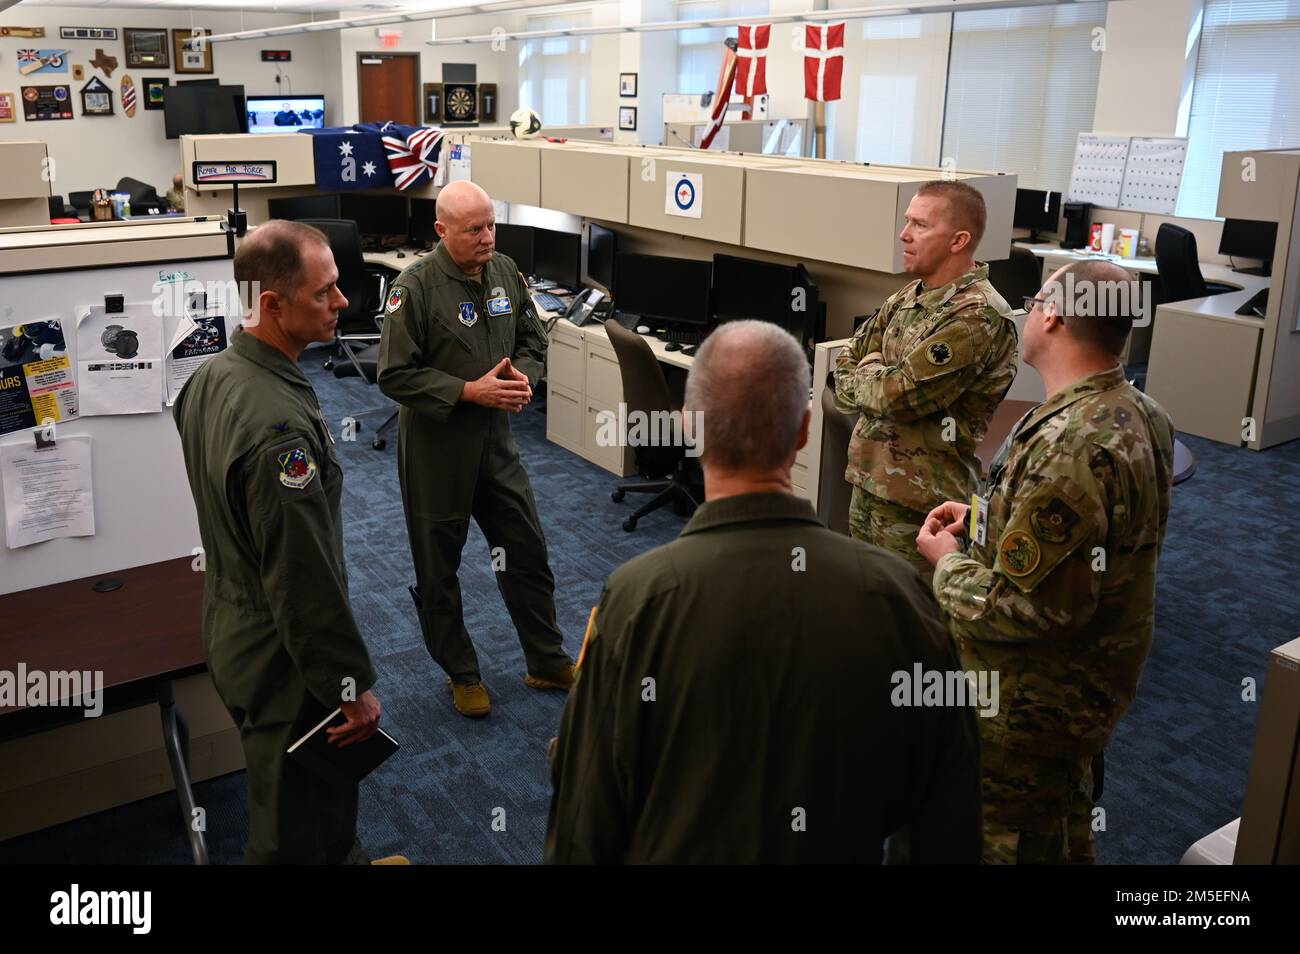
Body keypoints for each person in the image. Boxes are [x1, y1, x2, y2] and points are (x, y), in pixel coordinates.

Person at [545, 321, 982, 864]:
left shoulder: (636, 602)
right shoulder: (900, 597)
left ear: (688, 426)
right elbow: (950, 815)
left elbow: (584, 818)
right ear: (802, 430)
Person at [916, 260, 1174, 865]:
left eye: (1033, 299)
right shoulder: (1133, 410)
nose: (1027, 310)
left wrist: (946, 562)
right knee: (1060, 829)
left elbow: (1033, 608)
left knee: (1005, 842)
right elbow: (1085, 550)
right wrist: (983, 519)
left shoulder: (1071, 445)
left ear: (1052, 315)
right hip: (1081, 695)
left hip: (1027, 707)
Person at [174, 220, 398, 865]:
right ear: (272, 304)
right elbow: (301, 577)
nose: (343, 302)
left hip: (235, 622)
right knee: (291, 827)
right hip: (284, 652)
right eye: (325, 291)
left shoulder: (213, 376)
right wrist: (348, 684)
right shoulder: (277, 429)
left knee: (318, 797)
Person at [378, 180, 574, 718]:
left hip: (495, 444)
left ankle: (546, 659)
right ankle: (461, 672)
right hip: (437, 447)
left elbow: (534, 340)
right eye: (474, 229)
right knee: (439, 566)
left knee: (526, 549)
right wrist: (467, 391)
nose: (488, 237)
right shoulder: (413, 288)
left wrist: (521, 379)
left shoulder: (506, 271)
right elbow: (393, 374)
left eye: (491, 225)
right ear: (442, 231)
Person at [833, 180, 1019, 575]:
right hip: (869, 483)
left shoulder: (976, 315)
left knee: (911, 618)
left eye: (920, 224)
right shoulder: (907, 297)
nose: (904, 234)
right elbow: (843, 368)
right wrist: (874, 375)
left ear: (958, 240)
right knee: (866, 603)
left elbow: (895, 399)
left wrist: (871, 370)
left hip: (925, 505)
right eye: (907, 221)